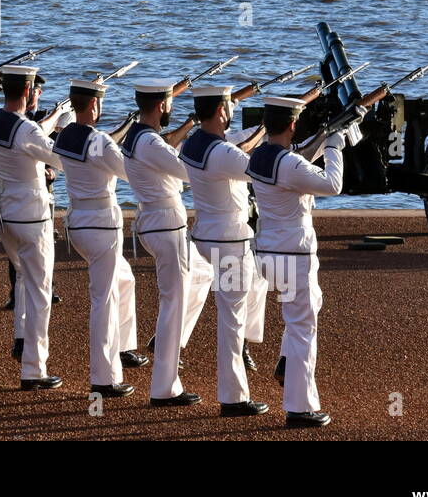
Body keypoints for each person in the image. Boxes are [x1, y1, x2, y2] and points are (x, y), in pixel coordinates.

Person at [247, 96, 346, 428]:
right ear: (292, 125)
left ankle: (287, 364)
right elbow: (333, 184)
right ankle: (299, 407)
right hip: (294, 253)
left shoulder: (260, 154)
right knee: (304, 326)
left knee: (305, 310)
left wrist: (321, 139)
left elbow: (294, 164)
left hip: (269, 250)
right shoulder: (289, 164)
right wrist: (333, 145)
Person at [120, 78, 213, 407]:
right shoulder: (152, 144)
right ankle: (165, 388)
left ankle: (166, 344)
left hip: (155, 221)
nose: (173, 107)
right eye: (170, 102)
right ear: (161, 106)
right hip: (165, 224)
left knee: (203, 274)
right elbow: (190, 173)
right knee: (173, 303)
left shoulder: (138, 136)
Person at [179, 85, 269, 416]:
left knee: (255, 286)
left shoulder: (193, 142)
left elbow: (237, 152)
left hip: (206, 233)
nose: (231, 110)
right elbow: (261, 171)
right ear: (221, 111)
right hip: (229, 241)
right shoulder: (222, 152)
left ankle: (243, 346)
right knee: (231, 319)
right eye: (229, 106)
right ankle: (233, 398)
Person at [54, 78, 146, 398]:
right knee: (103, 301)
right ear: (95, 105)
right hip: (102, 225)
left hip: (77, 221)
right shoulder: (101, 141)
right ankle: (104, 378)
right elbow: (129, 173)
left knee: (125, 279)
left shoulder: (65, 135)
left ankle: (123, 347)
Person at [0, 64, 64, 390]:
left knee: (24, 283)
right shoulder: (27, 131)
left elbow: (27, 135)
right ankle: (34, 369)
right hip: (31, 215)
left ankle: (20, 337)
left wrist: (53, 121)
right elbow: (59, 158)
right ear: (29, 91)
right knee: (41, 290)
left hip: (3, 212)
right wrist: (63, 130)